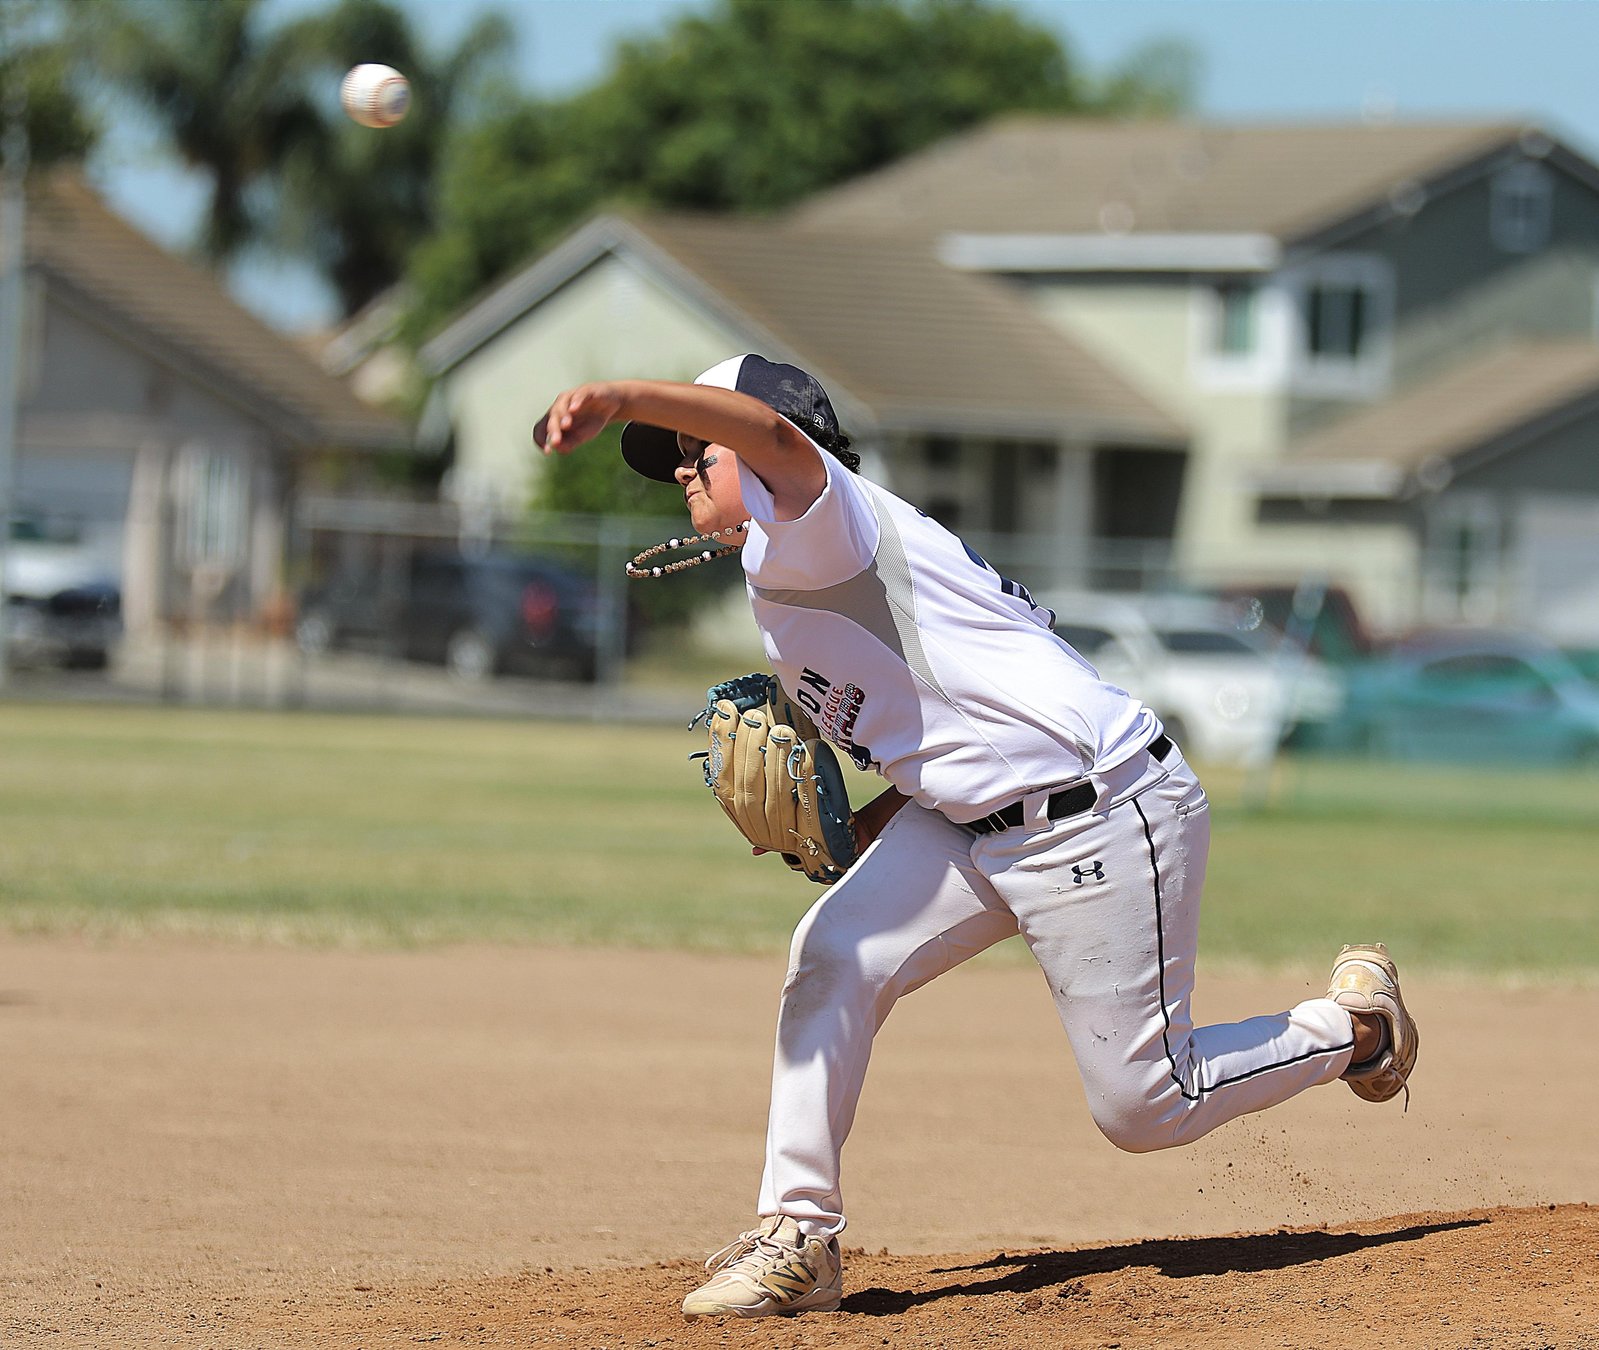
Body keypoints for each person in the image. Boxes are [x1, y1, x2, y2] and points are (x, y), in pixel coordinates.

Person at [534, 355, 1419, 1320]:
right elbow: (946, 737)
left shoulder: (824, 514)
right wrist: (858, 825)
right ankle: (800, 1236)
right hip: (972, 822)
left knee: (1146, 1107)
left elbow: (777, 441)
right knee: (833, 952)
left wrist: (622, 397)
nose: (680, 469)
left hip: (1105, 811)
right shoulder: (782, 561)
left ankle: (1356, 1028)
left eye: (694, 446)